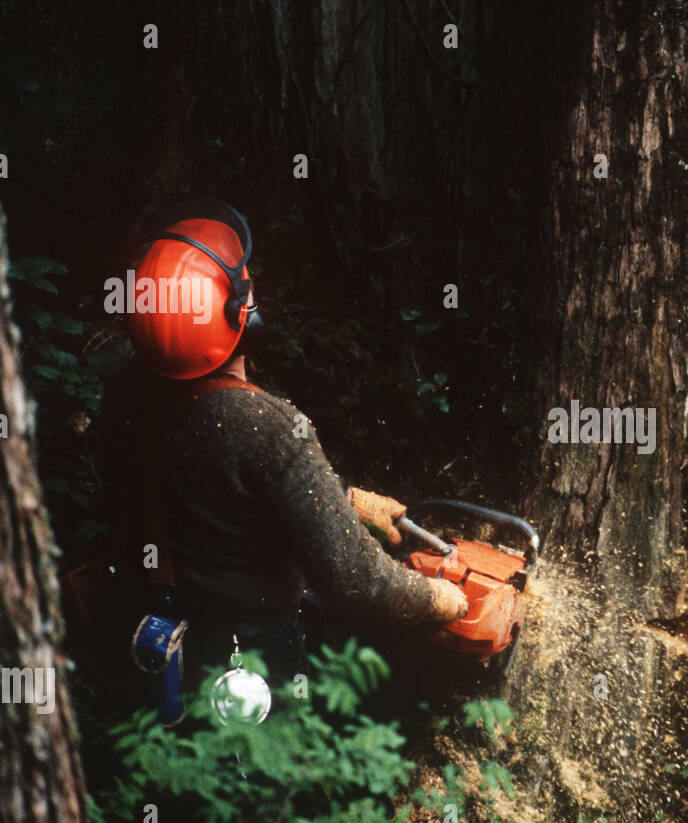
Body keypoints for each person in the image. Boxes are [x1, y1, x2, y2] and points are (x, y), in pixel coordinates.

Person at [98, 199, 467, 707]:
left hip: (151, 633)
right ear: (239, 317)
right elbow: (357, 580)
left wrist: (347, 498)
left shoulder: (123, 392)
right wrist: (439, 599)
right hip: (243, 664)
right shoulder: (266, 427)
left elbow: (228, 486)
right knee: (255, 787)